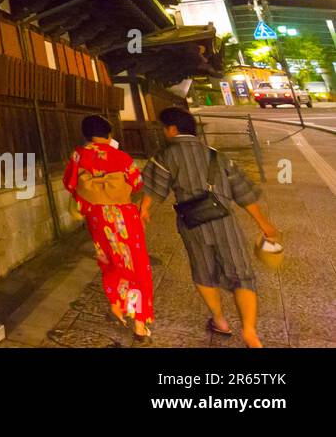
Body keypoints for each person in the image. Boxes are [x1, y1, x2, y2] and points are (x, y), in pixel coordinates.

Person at [141, 107, 281, 348]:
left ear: (172, 129)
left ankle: (220, 321)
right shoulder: (217, 156)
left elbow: (153, 190)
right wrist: (264, 224)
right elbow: (243, 192)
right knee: (242, 275)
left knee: (203, 272)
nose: (164, 133)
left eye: (164, 128)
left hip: (193, 224)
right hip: (225, 221)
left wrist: (143, 210)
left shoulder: (164, 156)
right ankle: (249, 332)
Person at [63, 114, 154, 344]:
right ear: (109, 134)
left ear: (86, 135)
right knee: (134, 264)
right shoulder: (121, 156)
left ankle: (116, 305)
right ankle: (140, 325)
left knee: (108, 260)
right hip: (124, 215)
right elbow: (137, 183)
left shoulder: (79, 155)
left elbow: (70, 183)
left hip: (98, 218)